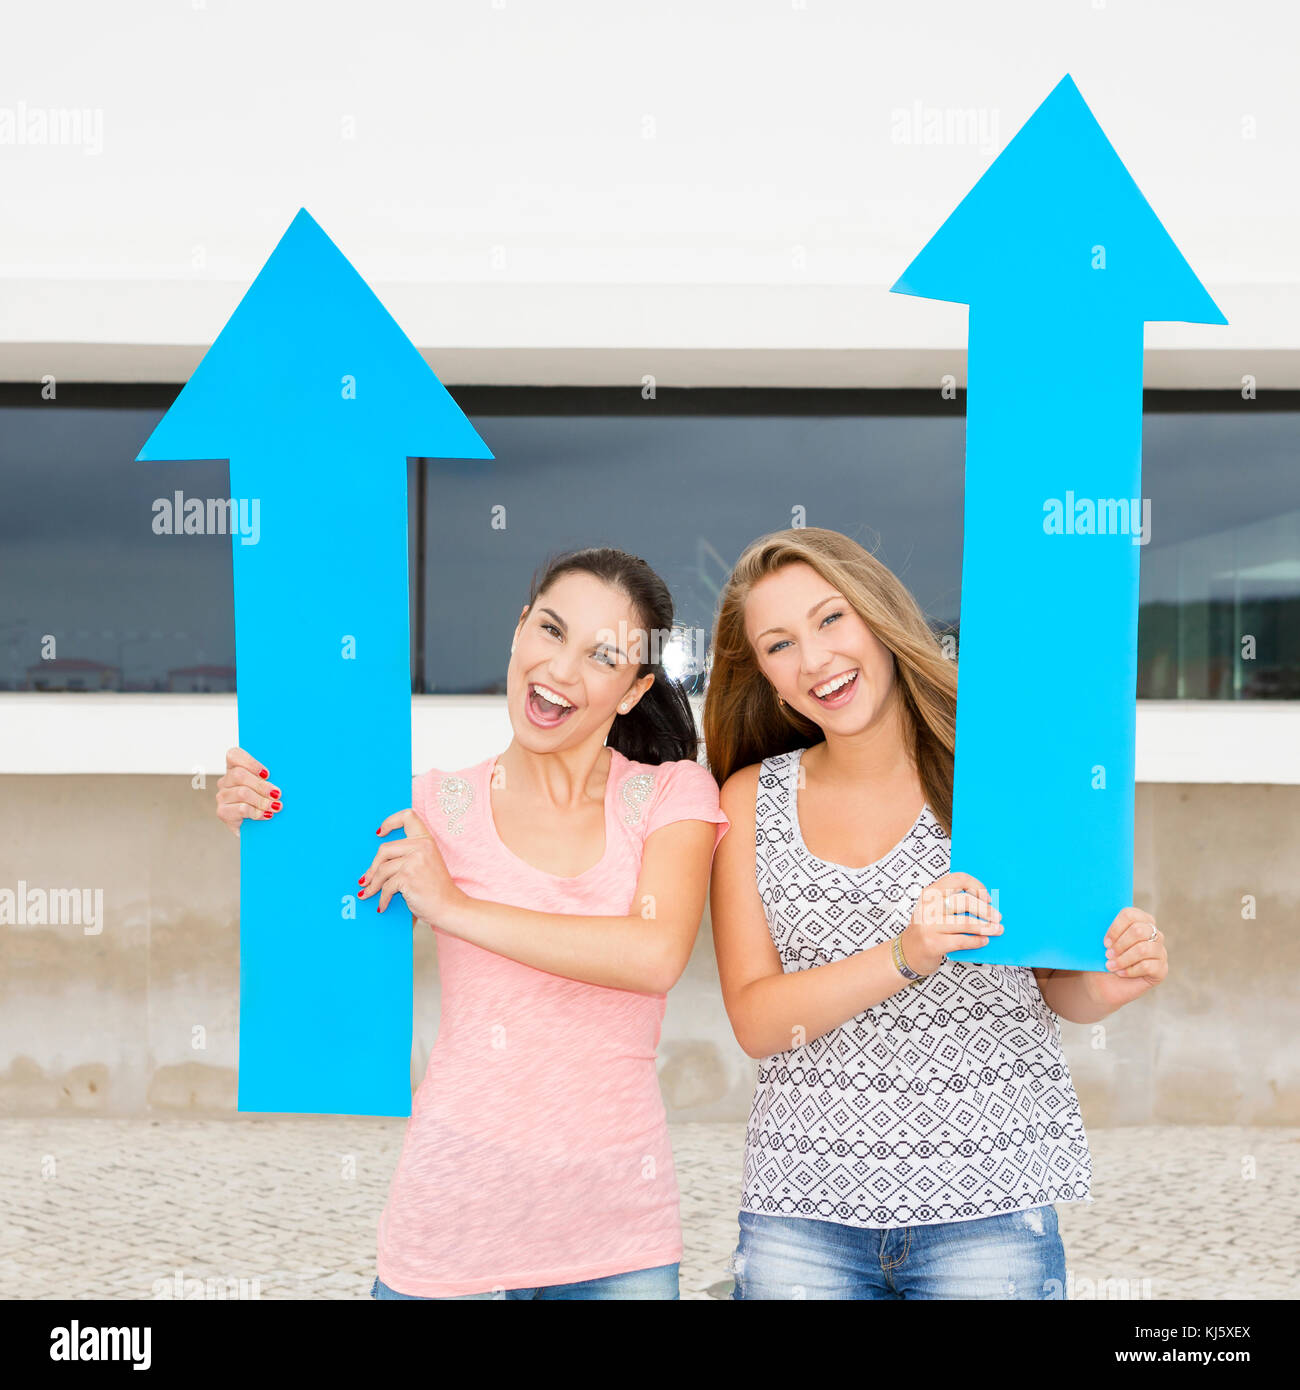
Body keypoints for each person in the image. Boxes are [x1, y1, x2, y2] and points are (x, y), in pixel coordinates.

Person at [216, 547, 729, 1299]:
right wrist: (253, 815)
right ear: (519, 630)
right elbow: (311, 881)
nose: (560, 669)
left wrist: (455, 906)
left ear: (634, 689)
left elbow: (653, 954)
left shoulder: (669, 797)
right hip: (451, 1224)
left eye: (603, 656)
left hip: (617, 1239)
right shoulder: (432, 805)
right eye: (550, 631)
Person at [704, 526, 1168, 1300]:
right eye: (780, 644)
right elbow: (756, 1020)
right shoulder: (750, 800)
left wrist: (1112, 981)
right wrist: (904, 955)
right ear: (767, 678)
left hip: (990, 1203)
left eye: (831, 619)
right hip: (802, 1213)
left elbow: (1055, 983)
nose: (815, 660)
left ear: (879, 617)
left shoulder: (999, 779)